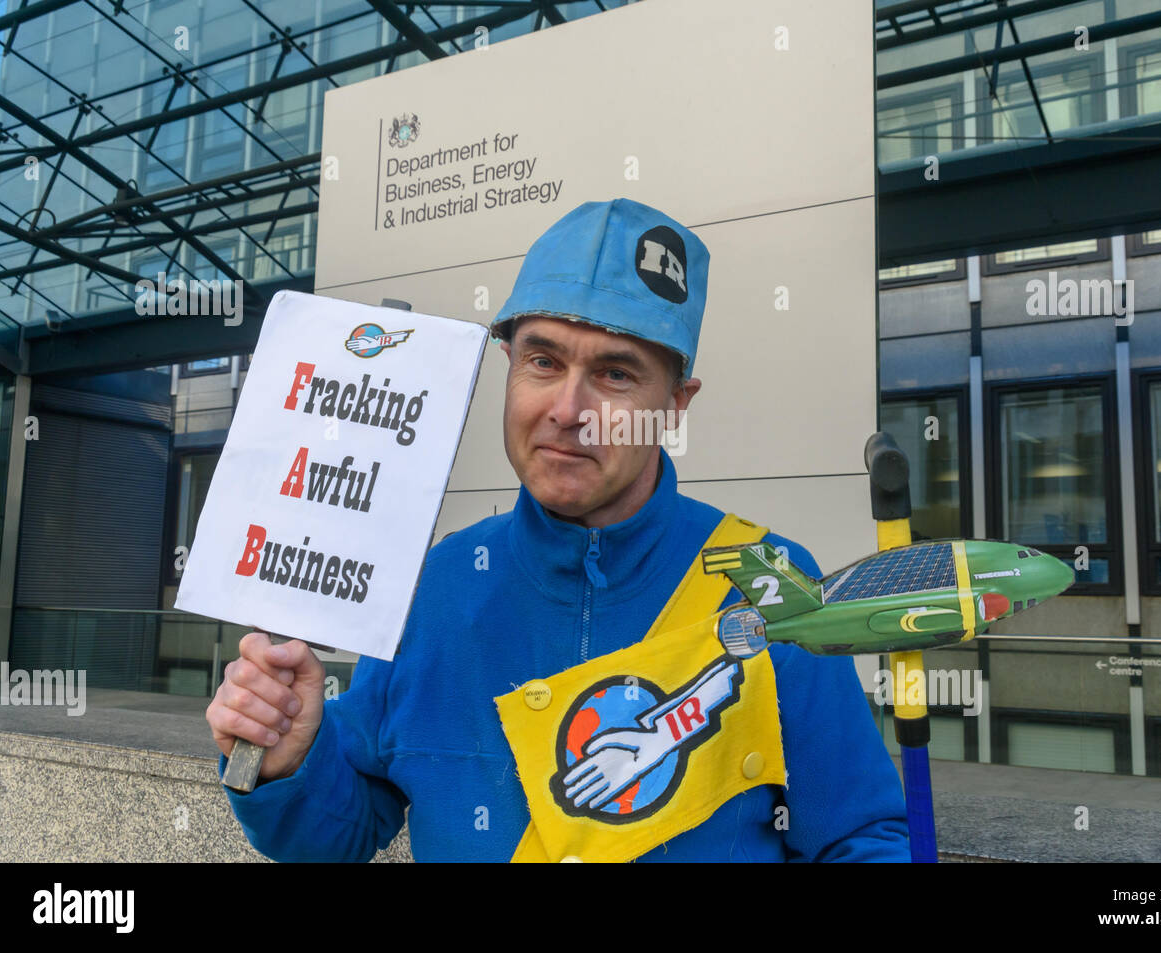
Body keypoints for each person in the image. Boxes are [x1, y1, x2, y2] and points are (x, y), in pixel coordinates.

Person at [207, 197, 910, 862]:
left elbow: (860, 838)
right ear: (510, 365)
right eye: (543, 360)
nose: (568, 408)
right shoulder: (436, 586)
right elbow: (347, 827)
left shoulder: (771, 584)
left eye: (615, 373)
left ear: (674, 405)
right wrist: (292, 760)